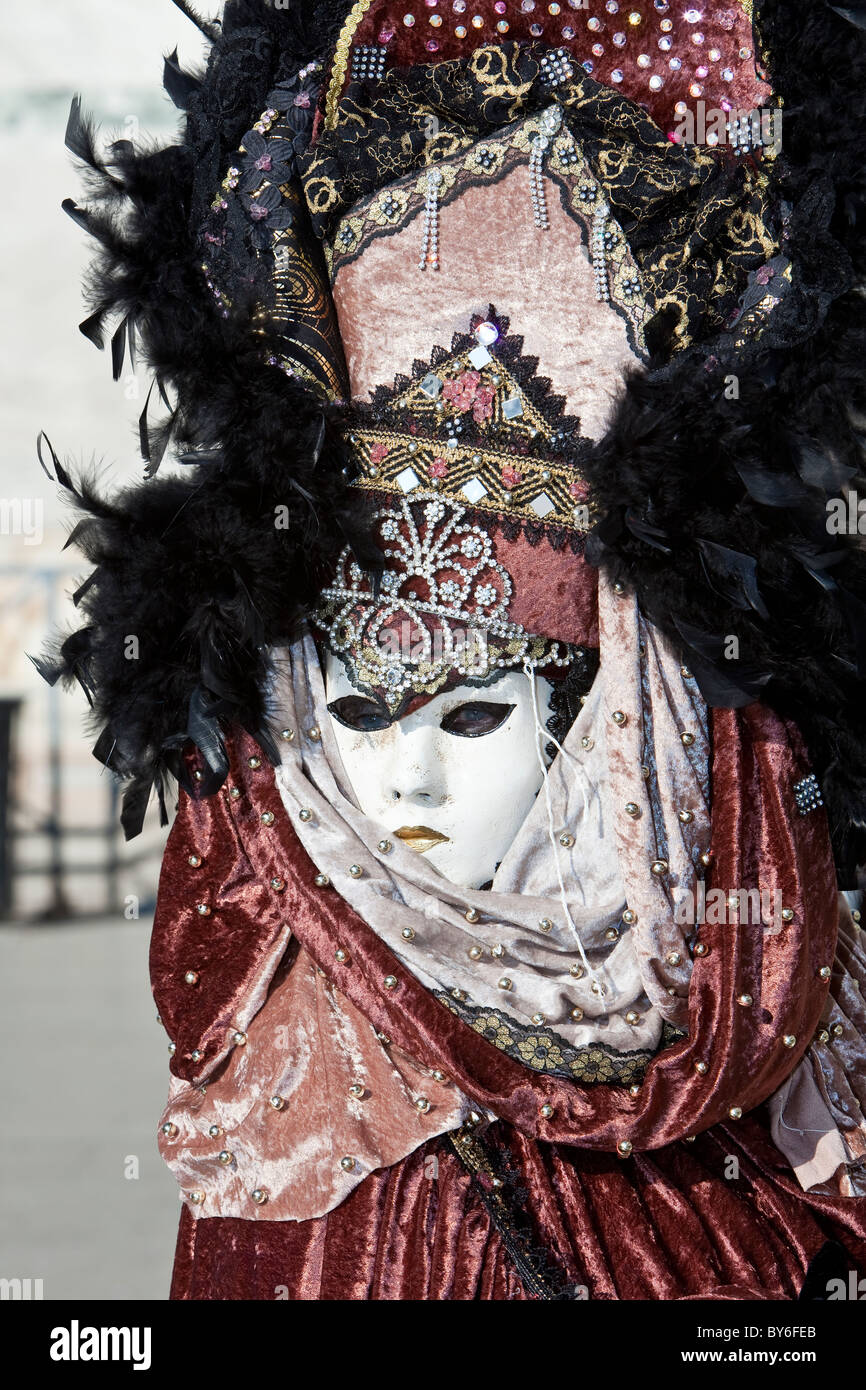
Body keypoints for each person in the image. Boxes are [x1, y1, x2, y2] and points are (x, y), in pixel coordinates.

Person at [40, 0, 866, 1299]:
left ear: (607, 718)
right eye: (363, 715)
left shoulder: (749, 1003)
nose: (407, 784)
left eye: (472, 712)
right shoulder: (297, 1113)